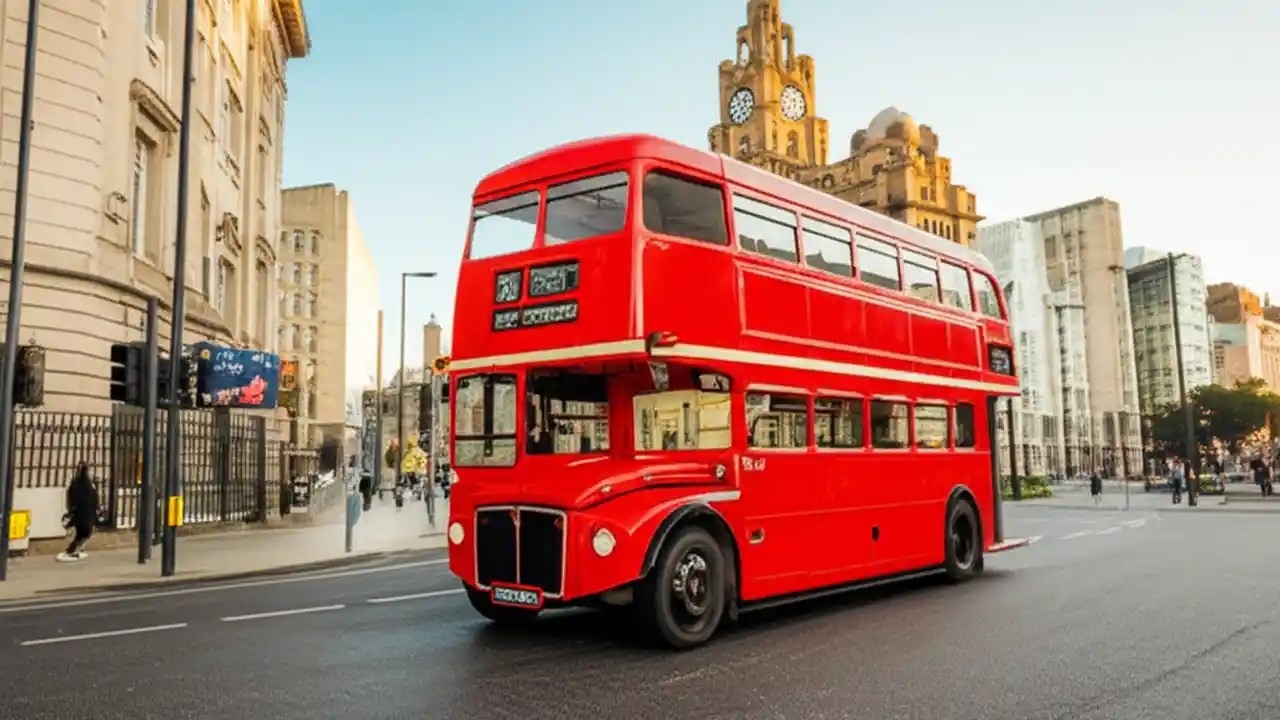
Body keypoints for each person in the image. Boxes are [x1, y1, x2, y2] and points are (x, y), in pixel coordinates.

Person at [57, 463, 99, 563]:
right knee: (85, 534)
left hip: (78, 512)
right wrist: (96, 510)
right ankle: (73, 550)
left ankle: (72, 549)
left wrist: (71, 509)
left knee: (80, 534)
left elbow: (70, 496)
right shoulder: (89, 484)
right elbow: (95, 498)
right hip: (87, 513)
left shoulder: (75, 483)